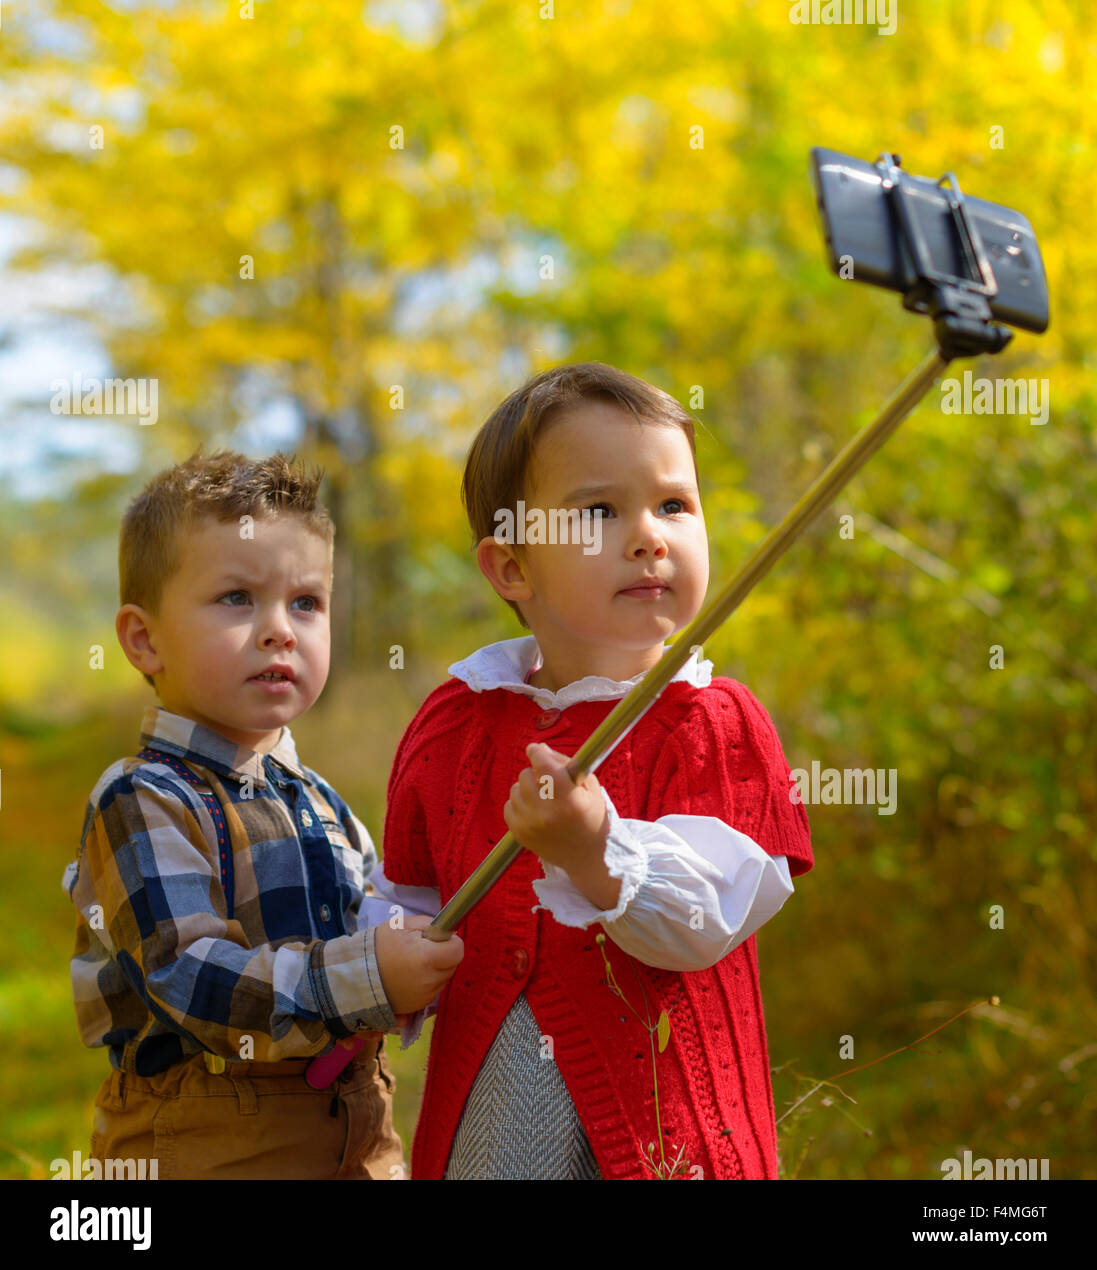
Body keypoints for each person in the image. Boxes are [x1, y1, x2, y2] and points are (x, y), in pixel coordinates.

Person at [370, 361, 814, 1180]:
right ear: (511, 568)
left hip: (668, 1133)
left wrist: (594, 849)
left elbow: (708, 919)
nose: (650, 536)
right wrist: (387, 963)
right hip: (496, 1119)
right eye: (600, 511)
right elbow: (410, 899)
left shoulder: (713, 722)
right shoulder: (454, 723)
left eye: (674, 505)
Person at [64, 450, 463, 1179]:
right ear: (144, 639)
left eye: (305, 602)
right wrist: (370, 975)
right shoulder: (142, 796)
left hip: (356, 1125)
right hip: (208, 1137)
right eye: (237, 599)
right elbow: (190, 978)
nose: (280, 629)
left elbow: (369, 927)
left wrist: (417, 952)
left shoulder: (322, 801)